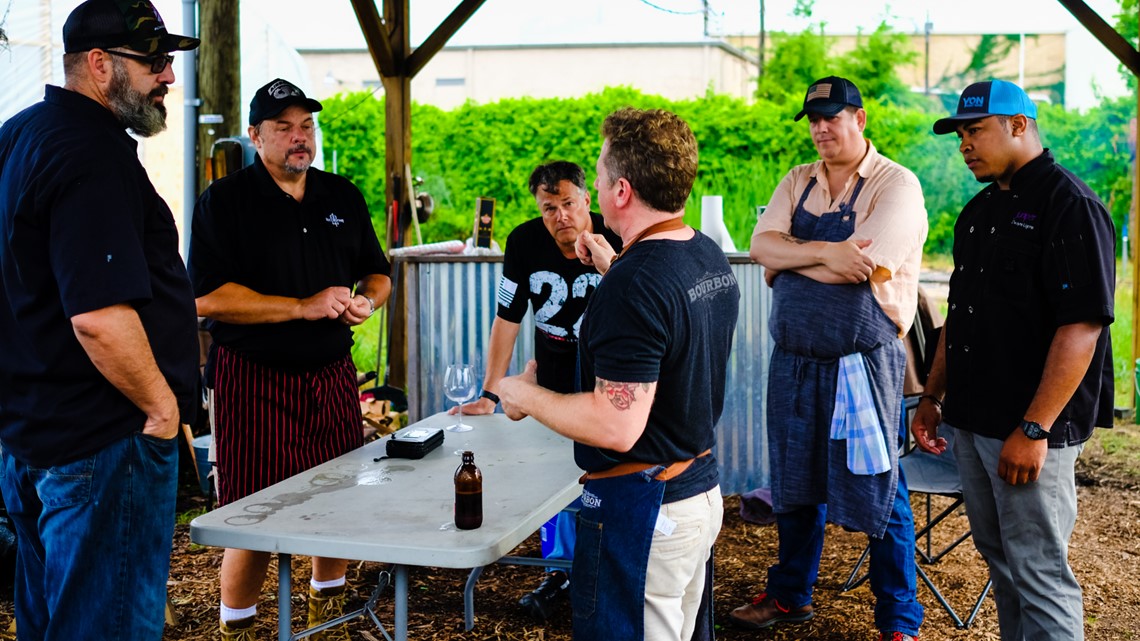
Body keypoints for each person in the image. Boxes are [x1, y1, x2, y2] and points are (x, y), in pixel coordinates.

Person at [499, 107, 739, 641]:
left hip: (645, 510)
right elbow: (666, 314)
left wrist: (523, 391)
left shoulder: (634, 285)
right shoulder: (705, 254)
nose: (596, 185)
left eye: (601, 174)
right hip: (696, 491)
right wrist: (615, 265)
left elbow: (616, 426)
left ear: (620, 191)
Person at [0, 1, 200, 639]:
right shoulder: (91, 152)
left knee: (53, 623)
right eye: (155, 63)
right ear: (99, 64)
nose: (168, 77)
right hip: (101, 444)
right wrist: (162, 409)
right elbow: (99, 317)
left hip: (32, 435)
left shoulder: (19, 135)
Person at [188, 78, 392, 641]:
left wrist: (365, 301)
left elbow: (378, 272)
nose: (299, 138)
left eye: (307, 126)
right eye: (283, 127)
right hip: (252, 376)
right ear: (255, 136)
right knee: (252, 515)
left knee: (339, 504)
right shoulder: (225, 203)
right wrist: (300, 307)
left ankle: (324, 619)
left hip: (330, 374)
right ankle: (239, 630)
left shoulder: (341, 195)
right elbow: (204, 297)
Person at [727, 76, 927, 641]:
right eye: (813, 119)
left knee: (880, 485)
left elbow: (867, 267)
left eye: (832, 117)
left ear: (859, 119)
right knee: (793, 479)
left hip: (860, 363)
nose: (820, 128)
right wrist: (825, 253)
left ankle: (898, 620)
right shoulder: (797, 180)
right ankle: (791, 595)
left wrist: (789, 262)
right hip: (793, 358)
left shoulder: (897, 186)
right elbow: (759, 248)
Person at [914, 79, 1114, 641]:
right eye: (960, 134)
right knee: (1001, 564)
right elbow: (962, 315)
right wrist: (933, 396)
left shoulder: (1069, 206)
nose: (964, 144)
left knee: (1039, 573)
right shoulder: (978, 212)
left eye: (975, 130)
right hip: (973, 421)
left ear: (1019, 125)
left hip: (1029, 430)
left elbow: (1083, 326)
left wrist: (1035, 426)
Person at [449, 160, 621, 620]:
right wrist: (490, 393)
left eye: (568, 203)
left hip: (609, 381)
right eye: (549, 207)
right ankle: (558, 571)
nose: (561, 215)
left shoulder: (614, 235)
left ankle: (602, 565)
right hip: (550, 377)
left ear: (588, 199)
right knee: (550, 479)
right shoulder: (524, 241)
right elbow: (508, 317)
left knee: (601, 477)